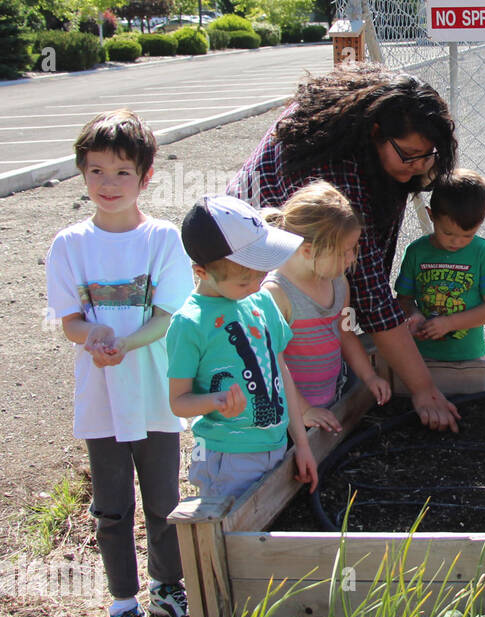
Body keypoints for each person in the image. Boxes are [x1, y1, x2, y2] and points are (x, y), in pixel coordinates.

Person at [229, 64, 461, 431]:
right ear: (375, 133)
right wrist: (424, 389)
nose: (419, 167)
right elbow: (370, 291)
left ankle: (323, 388)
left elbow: (370, 263)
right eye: (409, 155)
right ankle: (289, 412)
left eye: (427, 155)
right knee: (276, 335)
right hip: (249, 247)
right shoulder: (335, 170)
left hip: (306, 246)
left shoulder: (383, 142)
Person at [46, 110, 194, 617]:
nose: (108, 185)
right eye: (96, 172)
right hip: (100, 397)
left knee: (163, 500)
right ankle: (120, 604)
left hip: (155, 392)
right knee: (111, 508)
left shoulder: (162, 240)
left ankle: (166, 588)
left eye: (122, 173)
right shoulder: (70, 245)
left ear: (146, 177)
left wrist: (127, 345)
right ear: (82, 174)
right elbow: (70, 322)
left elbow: (165, 318)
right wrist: (94, 336)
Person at [167, 195, 318, 501]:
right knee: (230, 540)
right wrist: (216, 400)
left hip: (276, 445)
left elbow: (280, 369)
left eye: (261, 272)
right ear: (202, 273)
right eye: (244, 280)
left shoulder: (261, 300)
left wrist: (300, 443)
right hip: (226, 457)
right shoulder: (189, 324)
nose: (257, 283)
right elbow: (179, 402)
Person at [262, 180, 392, 431]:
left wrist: (369, 376)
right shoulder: (277, 294)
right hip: (289, 418)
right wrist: (304, 410)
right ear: (309, 251)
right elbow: (271, 364)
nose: (352, 258)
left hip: (328, 405)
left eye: (353, 249)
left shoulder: (339, 283)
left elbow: (344, 333)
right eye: (344, 252)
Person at [395, 169, 485, 362]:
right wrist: (414, 315)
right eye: (447, 233)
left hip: (470, 354)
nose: (456, 242)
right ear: (431, 215)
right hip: (422, 355)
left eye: (467, 236)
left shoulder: (482, 252)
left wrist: (450, 323)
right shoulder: (416, 252)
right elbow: (403, 299)